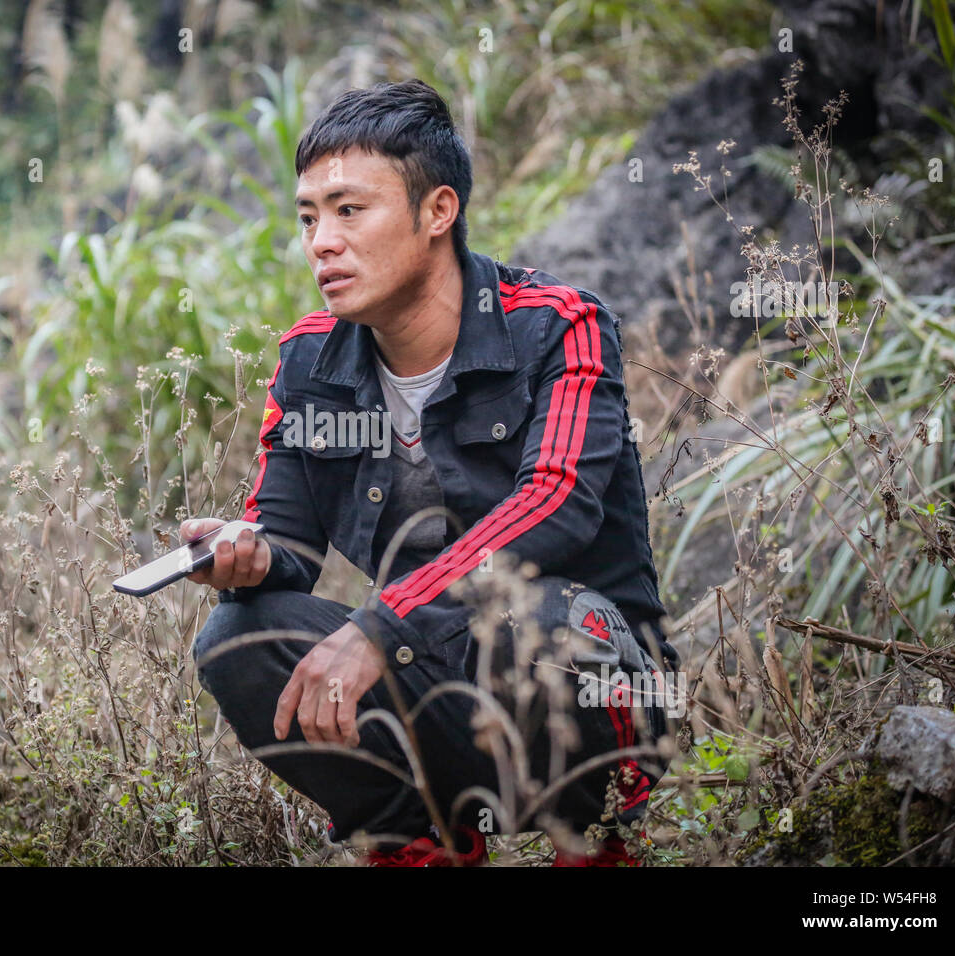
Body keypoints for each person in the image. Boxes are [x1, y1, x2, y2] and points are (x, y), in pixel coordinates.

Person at [184, 78, 679, 866]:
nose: (321, 241)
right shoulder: (309, 358)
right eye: (309, 217)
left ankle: (603, 831)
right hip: (433, 682)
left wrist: (379, 627)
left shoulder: (560, 328)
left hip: (593, 682)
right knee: (241, 634)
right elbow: (289, 547)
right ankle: (418, 842)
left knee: (542, 618)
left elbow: (556, 502)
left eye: (350, 210)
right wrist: (243, 555)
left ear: (437, 211)